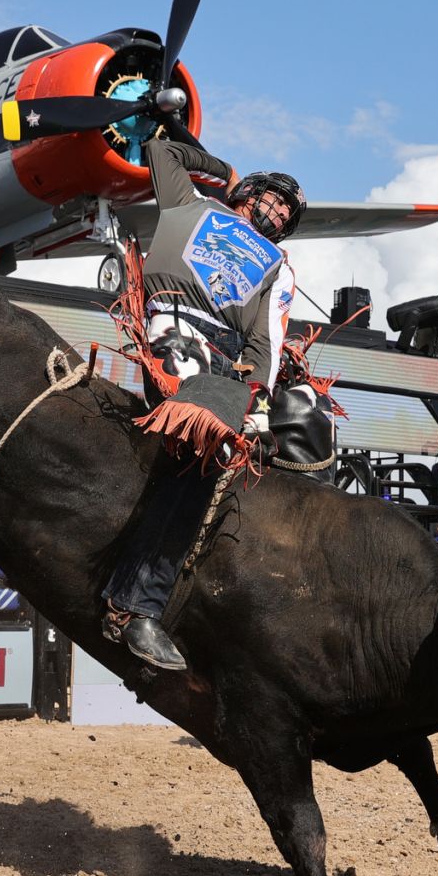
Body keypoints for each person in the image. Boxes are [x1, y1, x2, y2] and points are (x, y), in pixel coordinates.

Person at [102, 135, 308, 671]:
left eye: (286, 215)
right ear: (250, 192)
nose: (278, 213)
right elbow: (161, 151)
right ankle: (136, 609)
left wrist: (257, 402)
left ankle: (142, 603)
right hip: (176, 330)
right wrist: (221, 168)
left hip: (228, 358)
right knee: (201, 450)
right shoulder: (190, 205)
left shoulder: (276, 265)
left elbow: (266, 340)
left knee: (217, 466)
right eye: (275, 200)